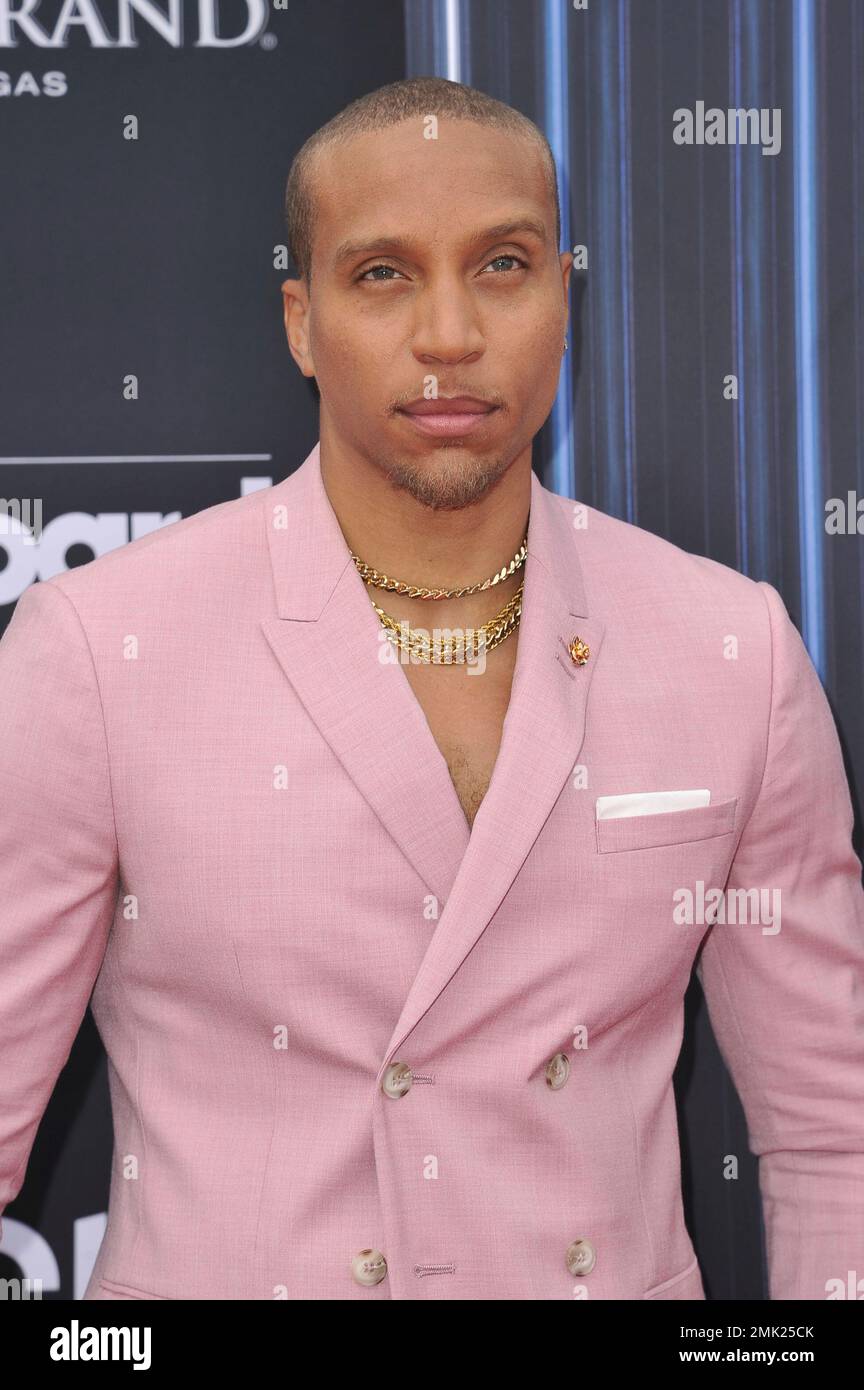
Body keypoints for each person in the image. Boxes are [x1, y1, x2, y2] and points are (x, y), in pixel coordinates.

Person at [1, 76, 862, 1301]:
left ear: (564, 292)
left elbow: (837, 1135)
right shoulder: (98, 649)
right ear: (301, 321)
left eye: (503, 265)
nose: (449, 333)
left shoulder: (731, 648)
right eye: (384, 275)